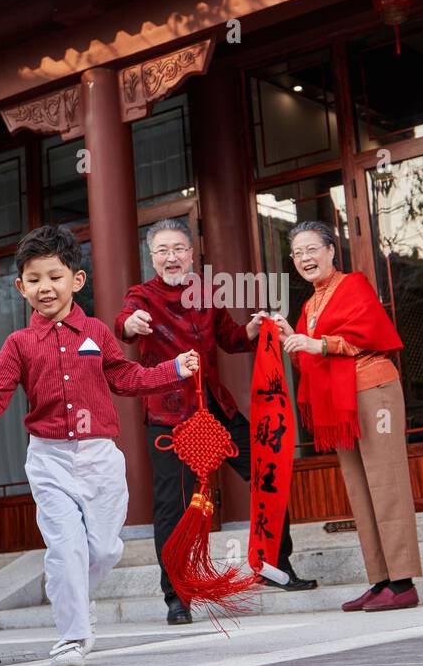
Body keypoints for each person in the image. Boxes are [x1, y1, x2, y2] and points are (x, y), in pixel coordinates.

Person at [0, 225, 199, 666]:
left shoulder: (98, 332)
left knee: (103, 551)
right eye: (35, 279)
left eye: (55, 277)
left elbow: (126, 377)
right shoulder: (18, 344)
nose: (46, 288)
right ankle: (72, 635)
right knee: (65, 548)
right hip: (49, 459)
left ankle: (76, 598)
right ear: (21, 287)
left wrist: (171, 368)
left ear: (76, 281)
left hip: (100, 456)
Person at [115, 218, 317, 626]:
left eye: (178, 250)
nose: (171, 257)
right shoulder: (141, 296)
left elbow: (230, 338)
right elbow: (125, 323)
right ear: (152, 257)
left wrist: (254, 328)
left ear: (191, 254)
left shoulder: (205, 293)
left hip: (216, 411)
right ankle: (177, 596)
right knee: (173, 506)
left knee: (267, 474)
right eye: (162, 251)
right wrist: (130, 325)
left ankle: (277, 566)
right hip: (169, 416)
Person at [276, 220, 422, 612]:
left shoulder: (352, 284)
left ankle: (404, 581)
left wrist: (318, 341)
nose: (305, 258)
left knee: (386, 482)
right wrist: (290, 335)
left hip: (373, 390)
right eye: (298, 253)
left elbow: (370, 336)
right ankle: (380, 580)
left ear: (330, 251)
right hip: (340, 401)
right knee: (359, 488)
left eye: (312, 249)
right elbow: (312, 357)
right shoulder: (309, 305)